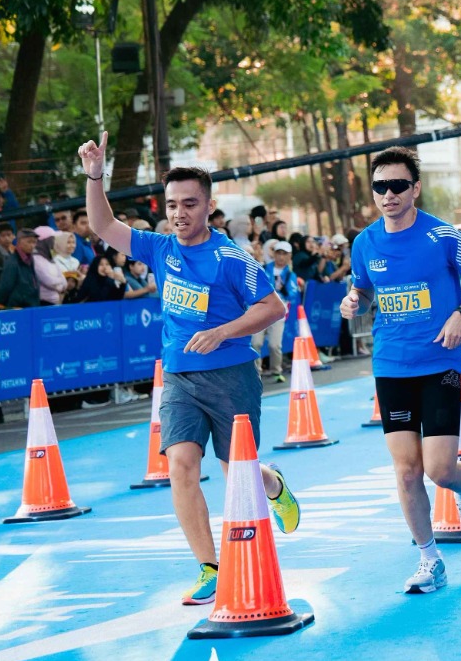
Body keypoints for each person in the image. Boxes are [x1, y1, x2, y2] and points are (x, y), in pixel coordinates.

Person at [76, 132, 300, 606]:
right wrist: (95, 174)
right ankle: (209, 567)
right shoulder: (161, 248)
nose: (180, 213)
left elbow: (273, 308)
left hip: (232, 374)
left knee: (236, 472)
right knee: (180, 465)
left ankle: (273, 484)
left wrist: (223, 332)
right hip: (178, 376)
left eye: (190, 204)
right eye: (173, 204)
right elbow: (102, 224)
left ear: (208, 205)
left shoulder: (232, 258)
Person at [341, 147, 461, 593]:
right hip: (391, 365)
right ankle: (430, 560)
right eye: (379, 187)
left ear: (415, 189)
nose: (388, 195)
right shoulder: (365, 242)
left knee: (439, 470)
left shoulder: (444, 236)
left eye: (397, 186)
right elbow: (364, 291)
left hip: (439, 363)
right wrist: (355, 302)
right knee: (407, 470)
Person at [257, 240, 299, 381]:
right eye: (279, 253)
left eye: (284, 254)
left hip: (277, 314)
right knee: (255, 343)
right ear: (274, 254)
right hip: (260, 310)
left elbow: (292, 294)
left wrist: (283, 288)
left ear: (289, 256)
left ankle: (276, 371)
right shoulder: (263, 268)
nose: (281, 257)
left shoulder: (290, 274)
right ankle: (256, 373)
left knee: (274, 345)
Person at [0, 229, 44, 309]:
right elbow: (5, 287)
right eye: (29, 242)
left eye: (34, 242)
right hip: (18, 309)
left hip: (32, 307)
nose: (32, 245)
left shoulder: (30, 259)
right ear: (19, 242)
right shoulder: (12, 262)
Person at [31, 226, 68, 306]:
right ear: (44, 242)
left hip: (56, 302)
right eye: (52, 239)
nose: (54, 242)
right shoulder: (35, 259)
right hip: (43, 303)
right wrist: (60, 285)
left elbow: (63, 280)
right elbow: (48, 281)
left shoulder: (51, 258)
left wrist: (61, 284)